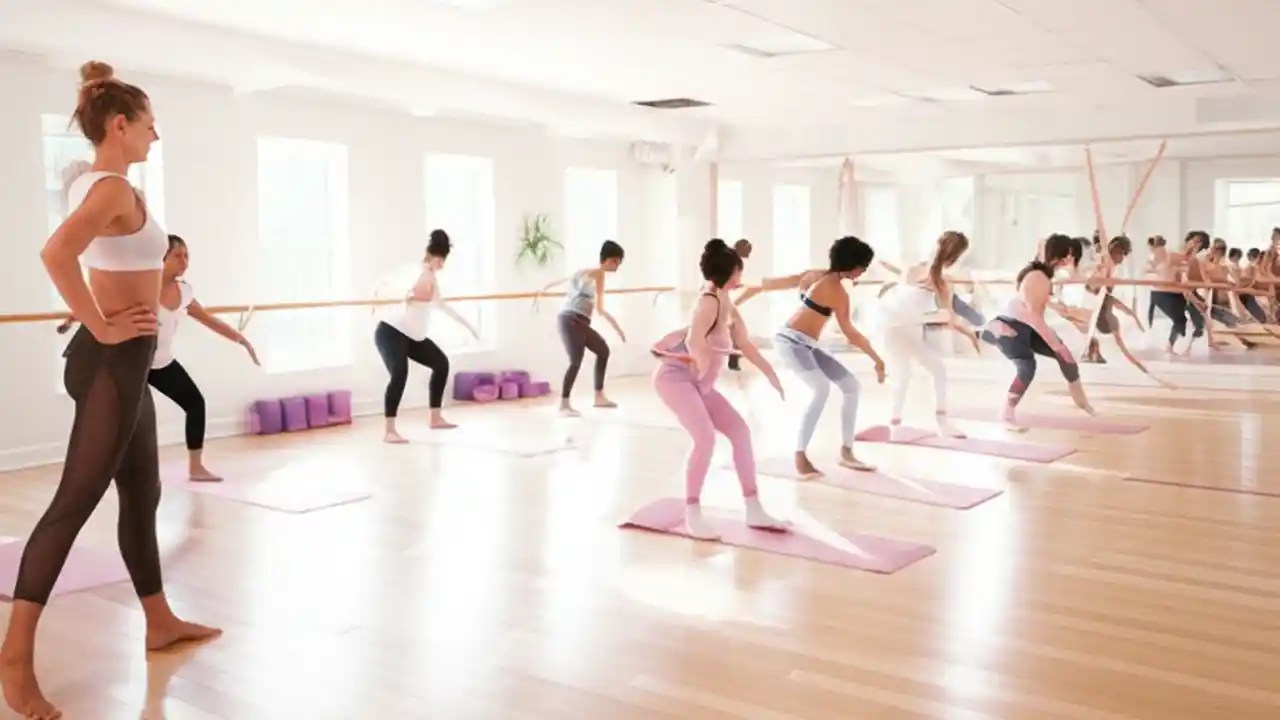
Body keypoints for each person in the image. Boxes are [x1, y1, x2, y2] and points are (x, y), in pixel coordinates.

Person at [2, 61, 220, 720]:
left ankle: (157, 620)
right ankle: (14, 659)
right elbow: (55, 255)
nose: (156, 134)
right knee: (72, 505)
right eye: (149, 124)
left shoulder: (100, 184)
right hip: (108, 361)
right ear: (119, 126)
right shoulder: (111, 192)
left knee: (143, 491)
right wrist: (99, 321)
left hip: (121, 364)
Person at [57, 234, 262, 480]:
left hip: (162, 363)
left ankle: (196, 467)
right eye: (178, 255)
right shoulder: (142, 289)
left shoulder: (184, 292)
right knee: (127, 420)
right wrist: (73, 317)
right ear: (162, 258)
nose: (184, 261)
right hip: (133, 364)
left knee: (195, 403)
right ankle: (105, 469)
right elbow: (99, 302)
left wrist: (242, 341)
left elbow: (210, 320)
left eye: (187, 256)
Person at [650, 239, 787, 539]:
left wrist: (770, 372)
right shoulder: (708, 301)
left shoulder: (726, 303)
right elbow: (693, 339)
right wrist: (699, 362)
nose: (742, 277)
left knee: (741, 432)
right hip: (676, 378)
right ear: (732, 273)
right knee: (705, 439)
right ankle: (692, 513)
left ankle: (754, 508)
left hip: (700, 382)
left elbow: (745, 343)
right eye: (739, 271)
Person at [743, 236, 886, 478]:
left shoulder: (819, 278)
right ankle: (800, 455)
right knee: (821, 389)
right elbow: (850, 331)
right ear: (853, 265)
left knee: (851, 385)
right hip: (789, 341)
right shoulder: (835, 290)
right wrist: (876, 358)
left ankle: (847, 451)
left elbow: (770, 284)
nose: (863, 271)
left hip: (807, 344)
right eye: (863, 266)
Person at [981, 234, 1095, 431]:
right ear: (1060, 256)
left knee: (1066, 358)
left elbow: (1039, 307)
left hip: (1026, 326)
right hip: (1011, 326)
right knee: (1027, 366)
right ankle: (1007, 414)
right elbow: (1034, 316)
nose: (1070, 261)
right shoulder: (1038, 277)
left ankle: (1081, 400)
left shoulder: (1043, 276)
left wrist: (1065, 313)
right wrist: (1055, 344)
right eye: (1069, 256)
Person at [375, 229, 477, 443]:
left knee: (441, 363)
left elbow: (443, 306)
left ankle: (435, 417)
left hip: (412, 336)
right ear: (431, 255)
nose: (442, 264)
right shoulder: (417, 273)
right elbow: (388, 287)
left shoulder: (431, 278)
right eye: (440, 259)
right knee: (400, 373)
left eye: (443, 260)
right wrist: (406, 295)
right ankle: (389, 430)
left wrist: (468, 327)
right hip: (391, 332)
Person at [877, 231, 979, 440]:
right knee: (936, 370)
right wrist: (970, 333)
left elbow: (907, 304)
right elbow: (947, 318)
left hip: (889, 326)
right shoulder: (942, 283)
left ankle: (894, 422)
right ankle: (942, 424)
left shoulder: (914, 270)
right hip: (898, 327)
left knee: (903, 374)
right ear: (955, 257)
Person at [537, 240, 626, 416]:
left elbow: (599, 309)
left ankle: (598, 397)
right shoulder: (598, 274)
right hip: (571, 320)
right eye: (616, 261)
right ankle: (564, 405)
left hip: (577, 322)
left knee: (603, 350)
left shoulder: (584, 272)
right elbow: (598, 307)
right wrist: (618, 329)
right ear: (607, 260)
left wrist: (617, 329)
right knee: (575, 361)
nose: (617, 265)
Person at [727, 238, 752, 371]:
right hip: (720, 296)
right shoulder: (734, 262)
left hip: (720, 296)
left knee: (734, 328)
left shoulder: (729, 258)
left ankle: (733, 358)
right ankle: (733, 358)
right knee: (738, 328)